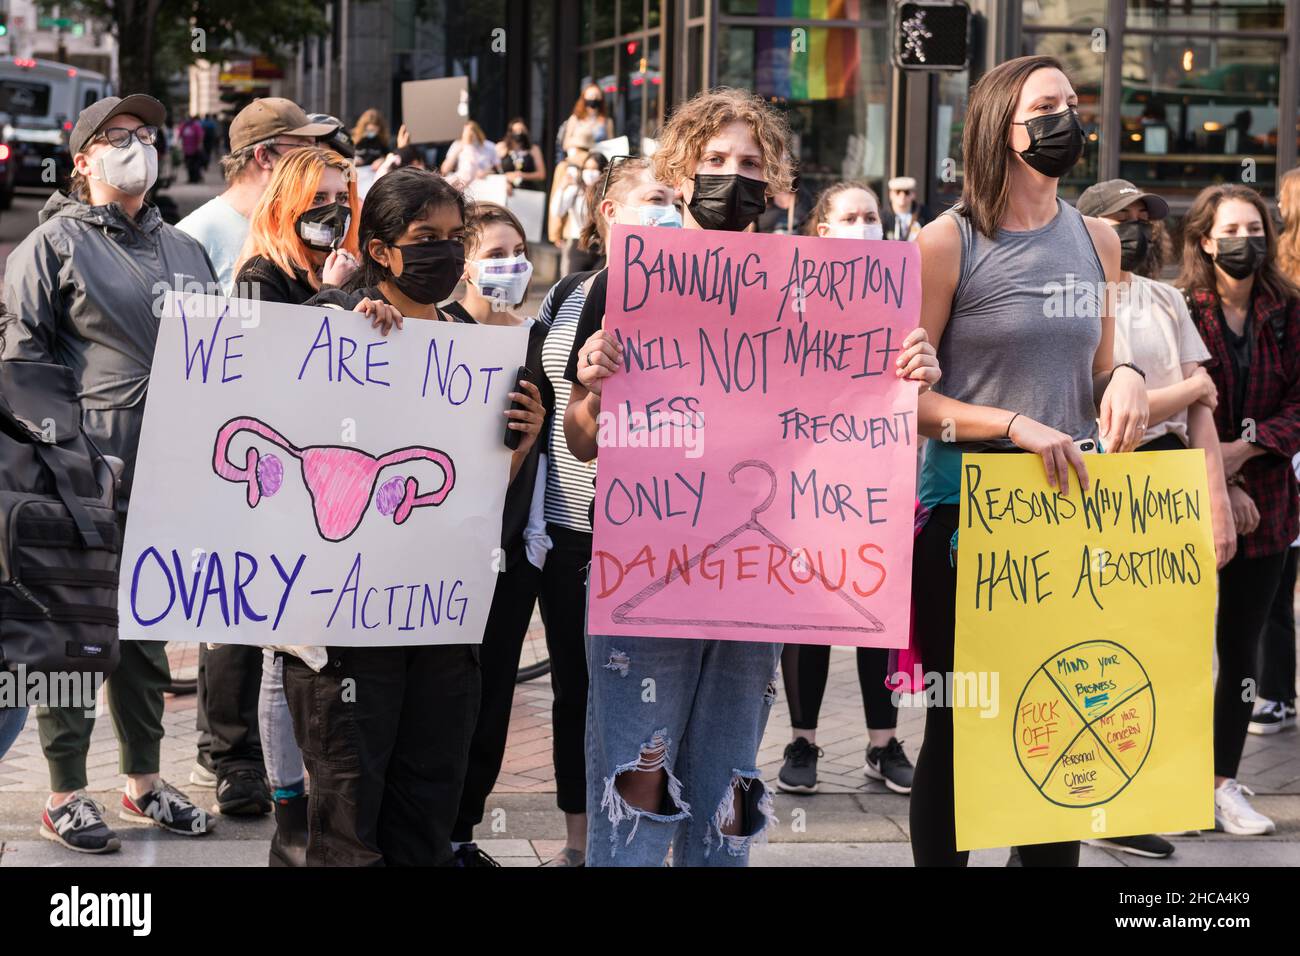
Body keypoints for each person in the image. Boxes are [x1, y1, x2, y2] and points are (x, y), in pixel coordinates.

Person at [566, 89, 940, 866]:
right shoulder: (627, 280)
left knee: (729, 788)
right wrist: (594, 385)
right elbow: (580, 440)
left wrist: (912, 370)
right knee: (638, 786)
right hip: (651, 572)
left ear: (774, 184)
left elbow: (865, 417)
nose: (730, 176)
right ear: (681, 167)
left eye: (748, 163)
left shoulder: (825, 292)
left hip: (758, 579)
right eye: (713, 161)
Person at [913, 55, 1148, 867]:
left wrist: (1127, 376)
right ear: (1001, 129)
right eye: (1046, 106)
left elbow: (1101, 363)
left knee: (1058, 723)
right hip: (964, 516)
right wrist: (1011, 425)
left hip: (1068, 517)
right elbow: (907, 401)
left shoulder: (1101, 239)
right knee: (960, 728)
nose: (1068, 119)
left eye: (1074, 104)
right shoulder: (946, 242)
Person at [283, 167, 545, 865]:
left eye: (454, 238)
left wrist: (523, 438)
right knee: (346, 808)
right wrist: (348, 331)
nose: (446, 253)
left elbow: (479, 491)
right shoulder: (331, 322)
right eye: (424, 238)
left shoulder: (475, 349)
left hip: (440, 623)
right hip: (343, 628)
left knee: (426, 799)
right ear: (379, 250)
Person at [2, 94, 218, 853]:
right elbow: (20, 367)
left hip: (167, 478)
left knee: (148, 635)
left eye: (147, 135)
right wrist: (59, 461)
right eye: (117, 137)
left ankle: (144, 783)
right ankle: (65, 794)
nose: (138, 147)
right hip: (76, 479)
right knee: (74, 635)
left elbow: (223, 361)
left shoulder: (188, 252)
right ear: (83, 159)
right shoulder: (51, 246)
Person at [1075, 177, 1237, 858]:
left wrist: (1217, 498)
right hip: (1103, 483)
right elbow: (1108, 413)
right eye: (1124, 218)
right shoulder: (1075, 302)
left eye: (1145, 218)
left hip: (1168, 488)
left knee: (1165, 650)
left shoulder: (1167, 298)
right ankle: (1094, 799)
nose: (1139, 229)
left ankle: (1142, 797)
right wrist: (1185, 389)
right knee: (1102, 647)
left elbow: (1205, 404)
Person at [531, 158, 678, 868]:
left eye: (676, 199)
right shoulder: (572, 294)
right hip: (576, 526)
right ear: (610, 215)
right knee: (577, 691)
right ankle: (581, 840)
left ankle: (640, 839)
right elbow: (563, 419)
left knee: (640, 696)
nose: (670, 209)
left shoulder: (691, 296)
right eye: (655, 199)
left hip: (659, 528)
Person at [777, 179, 914, 796]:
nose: (866, 226)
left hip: (877, 473)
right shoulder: (791, 294)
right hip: (804, 473)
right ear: (824, 231)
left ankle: (882, 745)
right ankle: (803, 740)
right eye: (852, 217)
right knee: (807, 615)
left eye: (874, 217)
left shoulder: (903, 299)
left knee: (875, 609)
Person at [440, 203, 564, 865]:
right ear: (464, 264)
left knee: (491, 697)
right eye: (494, 252)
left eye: (518, 250)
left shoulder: (536, 342)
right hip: (449, 551)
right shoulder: (440, 333)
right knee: (444, 697)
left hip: (513, 551)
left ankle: (462, 833)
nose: (509, 264)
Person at [1177, 183, 1300, 835]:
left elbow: (1299, 406)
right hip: (1187, 505)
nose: (1244, 240)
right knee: (1182, 650)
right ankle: (1170, 778)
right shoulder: (1181, 310)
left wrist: (1243, 453)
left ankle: (1221, 782)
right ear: (1204, 239)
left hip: (1271, 505)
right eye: (1230, 230)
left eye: (1255, 228)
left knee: (1242, 648)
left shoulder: (1289, 310)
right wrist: (1220, 479)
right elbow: (1176, 411)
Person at [178, 100, 335, 307]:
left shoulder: (298, 223)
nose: (313, 158)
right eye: (303, 147)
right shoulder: (193, 235)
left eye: (314, 147)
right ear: (263, 156)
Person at [1249, 166, 1300, 736]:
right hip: (1273, 455)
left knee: (1275, 578)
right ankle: (1275, 691)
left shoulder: (1281, 291)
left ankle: (1275, 692)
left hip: (1276, 454)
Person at [552, 152, 608, 275]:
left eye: (594, 169)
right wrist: (562, 187)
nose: (590, 173)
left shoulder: (608, 194)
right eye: (587, 168)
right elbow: (557, 210)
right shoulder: (576, 191)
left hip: (602, 247)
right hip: (579, 244)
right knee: (574, 287)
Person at [441, 121, 498, 190]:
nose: (469, 134)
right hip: (464, 185)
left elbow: (497, 168)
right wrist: (459, 149)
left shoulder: (489, 146)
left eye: (471, 131)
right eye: (466, 132)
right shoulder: (457, 145)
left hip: (486, 184)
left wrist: (486, 172)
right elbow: (445, 169)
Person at [497, 118, 547, 191]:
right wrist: (505, 179)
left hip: (528, 191)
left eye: (521, 130)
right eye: (516, 131)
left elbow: (541, 174)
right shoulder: (502, 147)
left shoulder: (533, 149)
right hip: (505, 190)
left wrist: (522, 175)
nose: (519, 133)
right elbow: (492, 169)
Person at [881, 176, 931, 242]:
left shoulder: (924, 213)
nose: (902, 196)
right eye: (897, 192)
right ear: (891, 194)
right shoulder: (882, 216)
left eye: (906, 192)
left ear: (913, 194)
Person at [180, 114, 205, 183]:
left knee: (195, 165)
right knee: (188, 165)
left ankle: (196, 178)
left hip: (195, 150)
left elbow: (200, 136)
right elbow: (180, 135)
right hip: (186, 150)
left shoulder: (196, 126)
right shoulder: (184, 126)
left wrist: (199, 146)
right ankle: (190, 179)